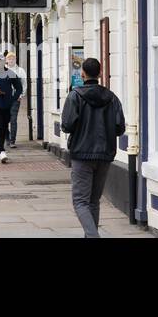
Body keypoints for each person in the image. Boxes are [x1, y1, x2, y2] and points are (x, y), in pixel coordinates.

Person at [60, 57, 126, 238]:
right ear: (100, 73)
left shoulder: (75, 96)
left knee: (80, 201)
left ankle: (93, 235)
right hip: (104, 154)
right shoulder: (112, 98)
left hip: (81, 154)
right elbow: (120, 128)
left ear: (82, 74)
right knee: (94, 201)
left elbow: (66, 125)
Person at [4, 51, 27, 149]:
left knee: (13, 119)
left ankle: (12, 140)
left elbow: (24, 84)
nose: (11, 60)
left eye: (13, 58)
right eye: (9, 58)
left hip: (15, 98)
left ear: (16, 59)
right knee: (4, 120)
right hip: (4, 98)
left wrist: (21, 95)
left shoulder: (20, 71)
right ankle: (7, 138)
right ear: (6, 60)